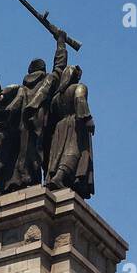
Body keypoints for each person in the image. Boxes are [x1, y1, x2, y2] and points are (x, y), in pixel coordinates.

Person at [0, 29, 67, 193]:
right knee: (36, 151)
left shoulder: (22, 89)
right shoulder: (48, 79)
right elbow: (59, 67)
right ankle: (29, 180)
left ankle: (16, 181)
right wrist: (61, 43)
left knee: (21, 151)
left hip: (21, 124)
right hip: (39, 121)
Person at [44, 62, 94, 199]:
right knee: (74, 151)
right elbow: (80, 100)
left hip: (59, 128)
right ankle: (60, 176)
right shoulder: (79, 87)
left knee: (59, 154)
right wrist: (88, 118)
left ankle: (59, 177)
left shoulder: (56, 98)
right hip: (75, 124)